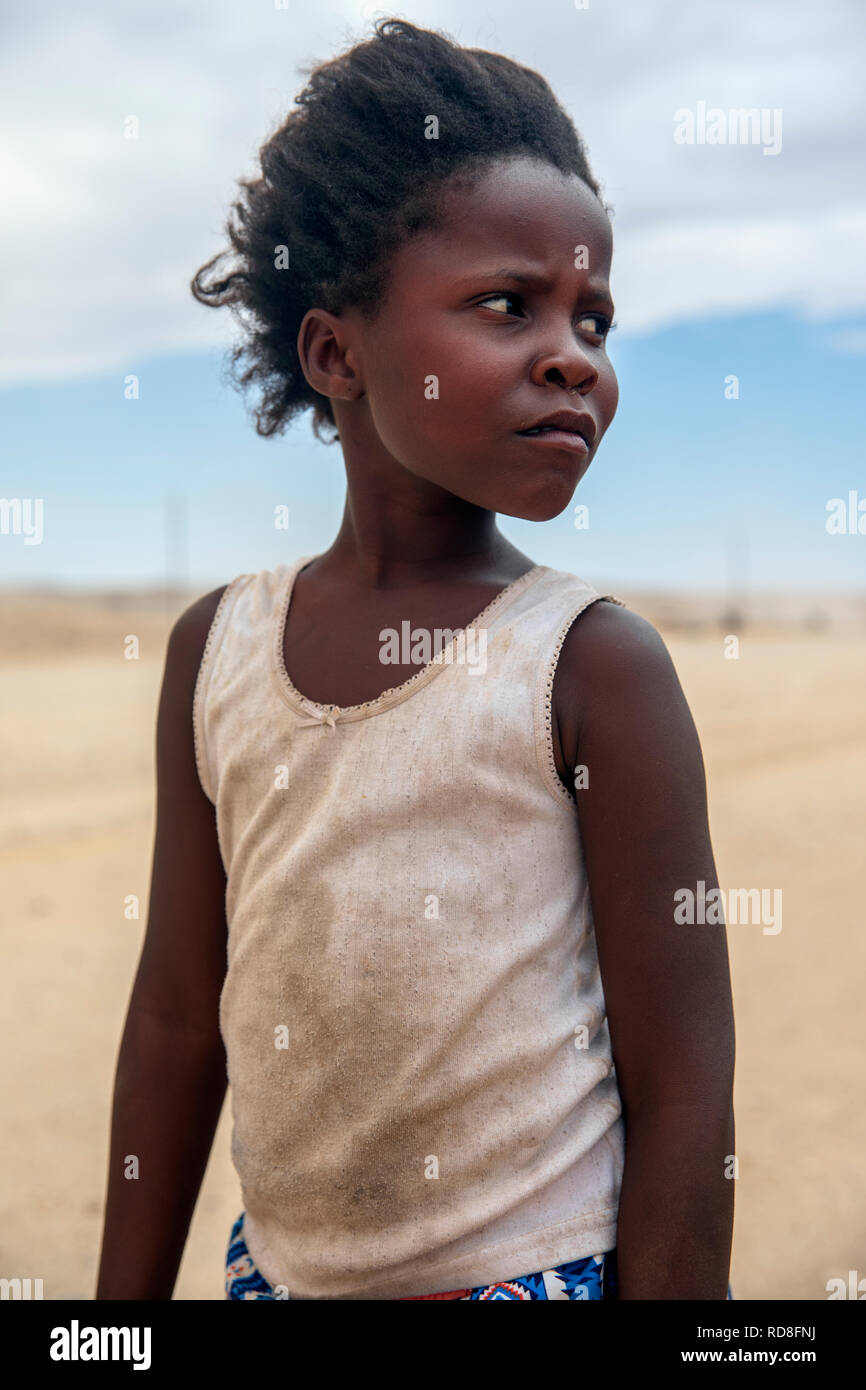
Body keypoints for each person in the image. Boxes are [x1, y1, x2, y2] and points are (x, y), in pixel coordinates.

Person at [96, 17, 735, 1301]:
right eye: (510, 305)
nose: (573, 357)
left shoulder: (592, 666)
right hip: (273, 1277)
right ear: (335, 353)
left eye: (593, 320)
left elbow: (685, 1083)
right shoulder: (216, 650)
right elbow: (176, 1014)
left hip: (529, 1275)